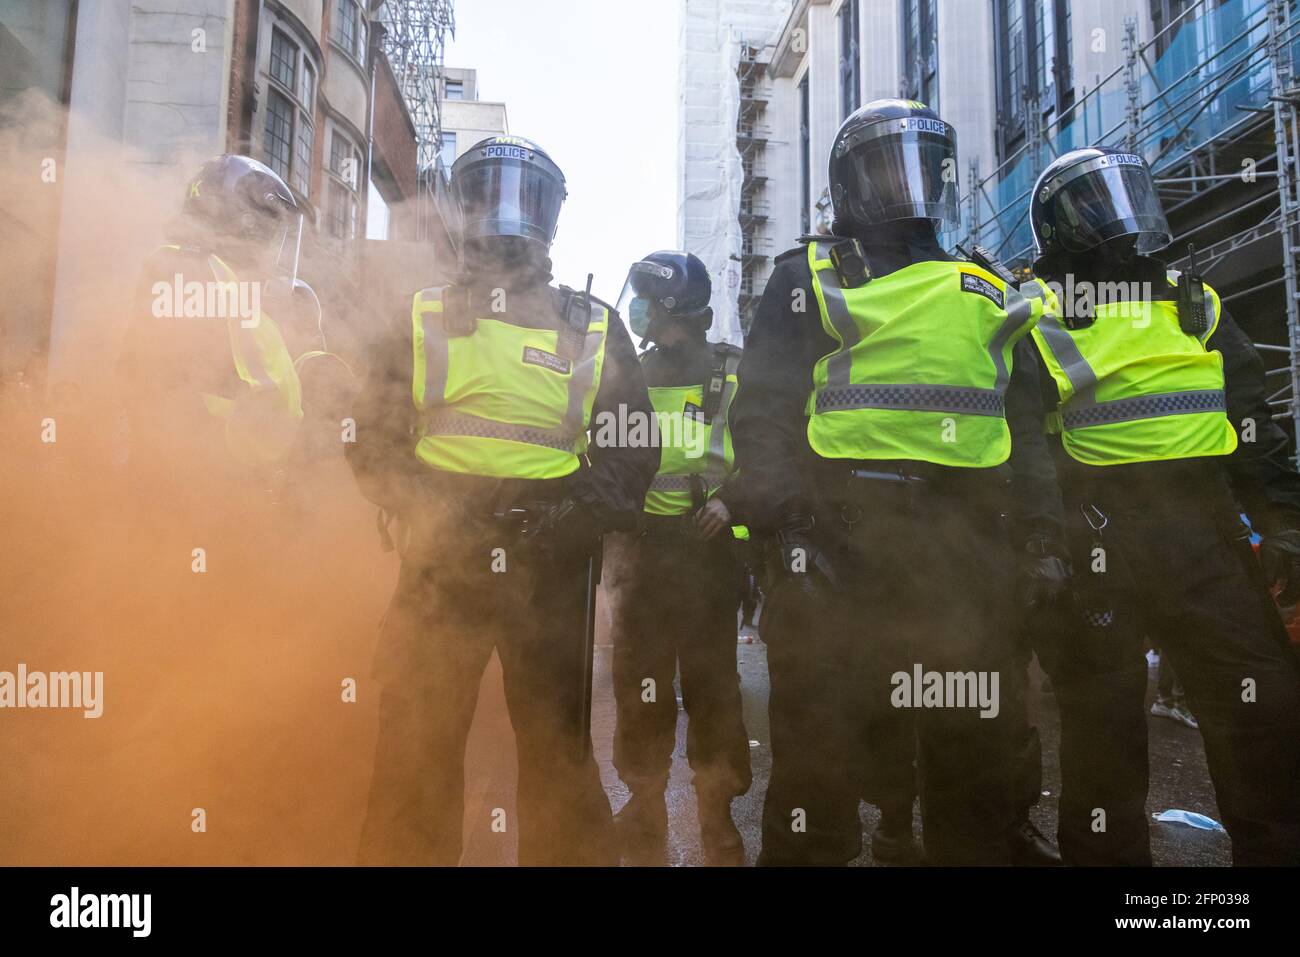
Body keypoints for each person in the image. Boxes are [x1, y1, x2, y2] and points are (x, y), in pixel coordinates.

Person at [732, 99, 1067, 866]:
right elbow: (763, 422)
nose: (906, 184)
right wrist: (787, 540)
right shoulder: (807, 277)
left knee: (973, 763)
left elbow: (1026, 433)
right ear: (848, 185)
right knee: (817, 770)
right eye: (884, 167)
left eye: (922, 164)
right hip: (838, 548)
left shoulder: (990, 285)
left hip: (966, 555)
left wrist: (1043, 540)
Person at [347, 135, 658, 866]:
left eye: (524, 193)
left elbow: (632, 445)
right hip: (440, 561)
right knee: (415, 754)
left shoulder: (592, 323)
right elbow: (368, 433)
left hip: (550, 564)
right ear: (464, 206)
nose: (507, 212)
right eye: (489, 191)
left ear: (551, 213)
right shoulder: (419, 314)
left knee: (558, 752)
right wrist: (431, 510)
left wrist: (572, 519)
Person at [1025, 146, 1300, 865]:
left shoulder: (1193, 297)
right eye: (1093, 200)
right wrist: (1041, 541)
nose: (1117, 212)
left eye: (1125, 191)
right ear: (1058, 226)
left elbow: (1254, 424)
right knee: (1102, 732)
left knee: (1261, 709)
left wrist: (1286, 528)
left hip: (1202, 530)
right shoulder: (1037, 307)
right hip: (1098, 538)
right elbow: (1022, 441)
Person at [605, 250, 752, 865]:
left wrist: (732, 504)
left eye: (643, 298)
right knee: (640, 687)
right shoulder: (628, 375)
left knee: (712, 686)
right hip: (643, 555)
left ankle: (716, 816)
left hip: (706, 556)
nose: (634, 309)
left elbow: (769, 452)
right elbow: (606, 459)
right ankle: (644, 808)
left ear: (669, 308)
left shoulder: (733, 373)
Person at [120, 154, 309, 486]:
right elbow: (280, 396)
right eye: (266, 234)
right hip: (213, 478)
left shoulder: (168, 265)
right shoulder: (220, 282)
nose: (268, 250)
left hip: (163, 470)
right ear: (243, 225)